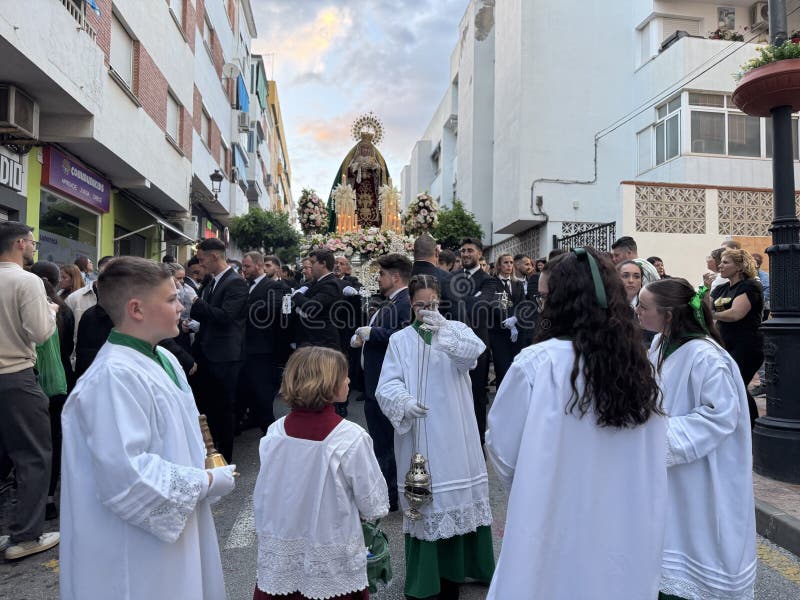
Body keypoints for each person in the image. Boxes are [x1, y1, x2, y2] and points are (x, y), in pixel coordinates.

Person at [485, 248, 666, 600]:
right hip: (622, 526)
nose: (541, 306)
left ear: (562, 302)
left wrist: (540, 485)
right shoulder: (639, 367)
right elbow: (654, 449)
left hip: (552, 522)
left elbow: (503, 449)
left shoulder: (536, 364)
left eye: (545, 297)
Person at [59, 257, 234, 599]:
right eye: (170, 299)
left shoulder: (164, 357)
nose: (181, 306)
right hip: (135, 548)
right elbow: (127, 476)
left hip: (176, 529)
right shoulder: (112, 378)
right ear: (136, 309)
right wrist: (206, 480)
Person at [636, 279, 756, 600]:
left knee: (696, 534)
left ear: (670, 315)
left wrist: (660, 436)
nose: (638, 312)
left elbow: (721, 415)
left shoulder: (707, 357)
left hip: (701, 468)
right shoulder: (660, 343)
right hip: (669, 466)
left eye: (644, 307)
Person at [377, 274, 495, 599]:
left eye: (431, 304)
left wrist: (443, 329)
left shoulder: (455, 331)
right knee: (425, 500)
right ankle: (427, 578)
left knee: (458, 496)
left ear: (440, 300)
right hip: (420, 431)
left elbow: (472, 356)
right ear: (410, 304)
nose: (426, 310)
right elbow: (386, 384)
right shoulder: (399, 340)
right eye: (419, 305)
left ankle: (466, 567)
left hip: (457, 431)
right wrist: (404, 402)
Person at [253, 346, 389, 600]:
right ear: (326, 383)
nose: (349, 380)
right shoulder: (350, 437)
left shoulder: (274, 433)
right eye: (343, 375)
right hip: (330, 553)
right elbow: (374, 504)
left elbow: (264, 495)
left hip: (282, 549)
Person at [0, 223, 60, 560]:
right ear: (21, 244)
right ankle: (25, 535)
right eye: (32, 242)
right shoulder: (27, 281)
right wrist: (51, 313)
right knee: (34, 456)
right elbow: (39, 333)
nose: (33, 247)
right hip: (15, 375)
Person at [351, 253, 412, 513]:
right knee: (381, 440)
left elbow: (405, 335)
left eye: (382, 274)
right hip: (375, 381)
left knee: (386, 442)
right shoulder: (390, 301)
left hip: (385, 383)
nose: (379, 278)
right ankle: (388, 490)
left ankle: (391, 495)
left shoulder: (405, 301)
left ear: (395, 277)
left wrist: (372, 333)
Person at [190, 237, 248, 462]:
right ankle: (208, 451)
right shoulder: (211, 281)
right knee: (207, 407)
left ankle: (224, 457)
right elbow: (205, 315)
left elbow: (225, 317)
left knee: (223, 409)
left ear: (215, 257)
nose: (200, 264)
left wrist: (196, 303)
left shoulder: (235, 282)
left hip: (224, 357)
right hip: (205, 352)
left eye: (203, 259)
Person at [30, 261, 74, 521]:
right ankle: (48, 498)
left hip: (29, 379)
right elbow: (68, 348)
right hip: (59, 383)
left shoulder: (25, 306)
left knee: (29, 443)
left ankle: (29, 495)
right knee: (54, 440)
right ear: (57, 281)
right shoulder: (64, 310)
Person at [711, 248, 764, 428]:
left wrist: (711, 314)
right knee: (728, 385)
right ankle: (739, 425)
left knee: (736, 385)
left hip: (747, 345)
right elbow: (703, 308)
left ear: (740, 266)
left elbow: (735, 314)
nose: (720, 265)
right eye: (721, 262)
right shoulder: (721, 288)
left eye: (726, 262)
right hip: (724, 344)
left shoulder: (750, 286)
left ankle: (751, 426)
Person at [240, 251, 291, 433]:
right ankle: (254, 418)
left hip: (263, 347)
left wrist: (242, 311)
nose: (243, 269)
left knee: (262, 390)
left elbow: (273, 311)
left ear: (259, 265)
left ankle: (270, 430)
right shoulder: (245, 285)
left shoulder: (273, 287)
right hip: (246, 346)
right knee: (249, 388)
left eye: (247, 266)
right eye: (243, 266)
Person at [451, 237, 495, 444]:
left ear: (480, 254)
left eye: (470, 250)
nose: (466, 254)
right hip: (453, 345)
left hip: (477, 346)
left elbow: (480, 305)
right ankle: (458, 440)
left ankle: (478, 441)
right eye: (463, 251)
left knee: (477, 395)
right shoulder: (453, 277)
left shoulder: (488, 280)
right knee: (455, 394)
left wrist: (460, 301)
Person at [292, 249, 347, 350]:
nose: (311, 267)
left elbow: (311, 306)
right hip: (312, 341)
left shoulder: (331, 284)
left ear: (323, 264)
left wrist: (297, 295)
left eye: (313, 263)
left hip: (323, 343)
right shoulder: (317, 282)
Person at [490, 253, 524, 387]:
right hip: (500, 333)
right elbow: (499, 307)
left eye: (511, 262)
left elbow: (522, 304)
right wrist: (510, 325)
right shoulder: (493, 283)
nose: (509, 265)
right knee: (502, 370)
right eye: (505, 262)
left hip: (516, 333)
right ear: (499, 265)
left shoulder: (517, 284)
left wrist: (515, 319)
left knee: (515, 369)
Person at [411, 234, 453, 319]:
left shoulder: (402, 277)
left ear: (413, 253)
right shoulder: (447, 278)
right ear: (437, 252)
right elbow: (458, 315)